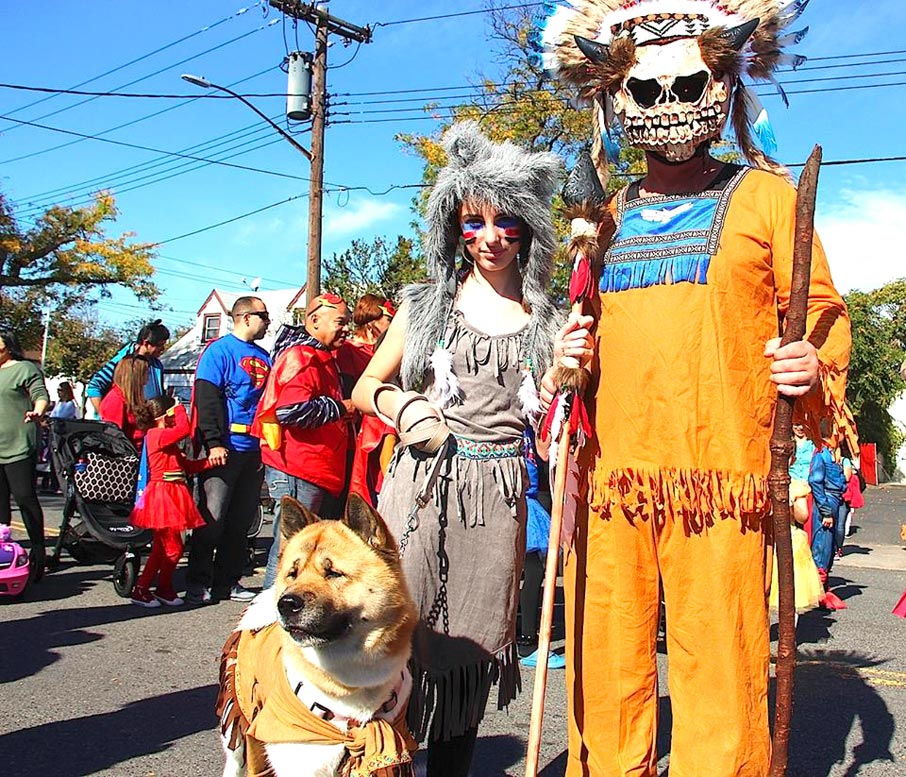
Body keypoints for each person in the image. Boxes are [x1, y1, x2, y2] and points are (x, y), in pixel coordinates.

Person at [542, 4, 856, 775]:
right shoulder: (602, 219)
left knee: (721, 679)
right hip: (613, 484)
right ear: (614, 100)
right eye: (644, 92)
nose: (668, 104)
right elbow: (583, 351)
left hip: (723, 481)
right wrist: (565, 357)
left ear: (724, 80)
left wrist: (811, 365)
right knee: (606, 675)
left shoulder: (767, 199)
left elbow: (821, 315)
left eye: (689, 83)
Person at [352, 123, 565, 777]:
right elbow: (366, 387)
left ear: (529, 230)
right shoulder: (424, 308)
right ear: (454, 226)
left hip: (497, 497)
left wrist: (563, 394)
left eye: (508, 222)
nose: (492, 236)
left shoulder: (548, 323)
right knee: (395, 636)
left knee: (469, 654)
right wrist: (407, 409)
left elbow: (552, 418)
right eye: (475, 221)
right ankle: (384, 761)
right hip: (418, 484)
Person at [252, 292, 353, 589]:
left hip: (315, 467)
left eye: (347, 322)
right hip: (298, 465)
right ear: (314, 321)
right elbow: (291, 411)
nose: (345, 329)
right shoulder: (301, 357)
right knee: (290, 545)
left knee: (300, 545)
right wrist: (340, 407)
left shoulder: (320, 356)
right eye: (340, 322)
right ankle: (269, 619)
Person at [186, 297, 271, 605]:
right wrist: (213, 442)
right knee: (213, 517)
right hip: (224, 448)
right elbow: (207, 399)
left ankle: (228, 581)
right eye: (263, 316)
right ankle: (197, 581)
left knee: (241, 520)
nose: (268, 322)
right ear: (245, 317)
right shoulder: (218, 352)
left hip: (254, 449)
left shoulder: (264, 356)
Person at [129, 396, 209, 608]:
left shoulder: (167, 441)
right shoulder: (155, 435)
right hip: (162, 494)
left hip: (174, 492)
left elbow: (188, 467)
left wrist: (210, 462)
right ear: (165, 415)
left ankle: (160, 588)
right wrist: (180, 408)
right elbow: (184, 429)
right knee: (172, 549)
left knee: (163, 548)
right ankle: (144, 588)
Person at [0, 328, 50, 579]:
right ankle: (3, 555)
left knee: (24, 497)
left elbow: (40, 395)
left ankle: (39, 553)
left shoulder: (24, 368)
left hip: (19, 445)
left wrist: (37, 412)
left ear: (6, 345)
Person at [86, 319, 169, 413]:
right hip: (122, 422)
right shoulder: (122, 361)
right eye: (159, 345)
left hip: (147, 422)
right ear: (146, 343)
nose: (162, 349)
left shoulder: (157, 365)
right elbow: (94, 386)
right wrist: (105, 418)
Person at [99, 355, 150, 451]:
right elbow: (114, 438)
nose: (148, 376)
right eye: (145, 372)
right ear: (136, 375)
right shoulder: (115, 400)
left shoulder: (131, 397)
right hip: (128, 457)